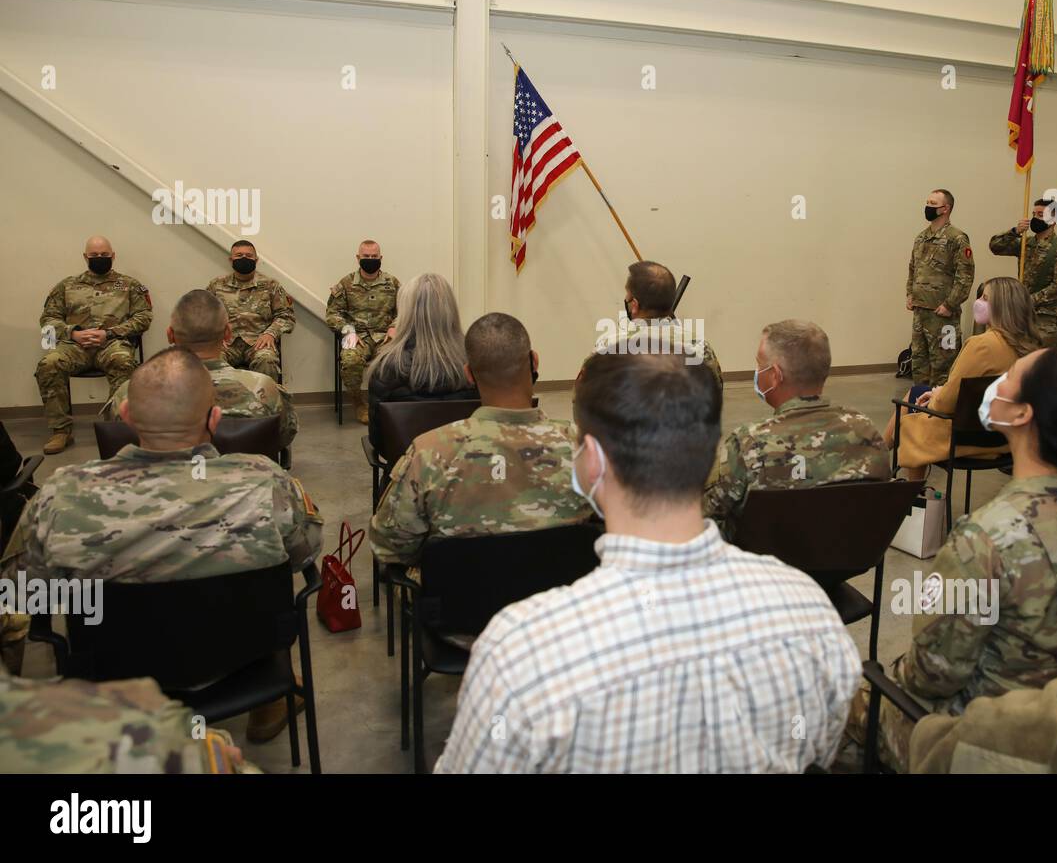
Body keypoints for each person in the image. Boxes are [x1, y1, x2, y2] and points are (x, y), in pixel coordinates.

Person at [434, 351, 861, 773]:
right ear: (712, 452)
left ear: (593, 462)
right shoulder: (810, 612)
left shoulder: (521, 653)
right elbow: (820, 751)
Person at [848, 346, 1057, 772]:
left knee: (841, 700)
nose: (995, 385)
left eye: (1007, 378)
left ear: (1023, 414)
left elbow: (930, 675)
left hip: (987, 742)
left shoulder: (984, 538)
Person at [2, 347, 322, 742]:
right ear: (215, 418)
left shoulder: (61, 495)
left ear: (126, 417)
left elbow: (21, 591)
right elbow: (304, 552)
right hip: (245, 664)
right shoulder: (265, 482)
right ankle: (269, 708)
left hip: (112, 675)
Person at [370, 313, 591, 565]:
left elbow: (389, 546)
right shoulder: (585, 447)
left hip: (460, 603)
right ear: (534, 362)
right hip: (561, 600)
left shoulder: (429, 453)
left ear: (469, 374)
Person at [704, 319, 889, 537]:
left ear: (775, 375)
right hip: (849, 555)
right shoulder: (866, 431)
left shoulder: (748, 443)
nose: (756, 371)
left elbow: (707, 515)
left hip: (767, 563)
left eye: (758, 364)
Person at [101, 290, 297, 450]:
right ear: (227, 334)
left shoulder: (132, 392)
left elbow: (120, 440)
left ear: (170, 335)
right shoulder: (263, 389)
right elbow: (283, 437)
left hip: (161, 488)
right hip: (244, 488)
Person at [888, 276, 1041, 479]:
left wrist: (935, 396)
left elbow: (945, 405)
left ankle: (908, 489)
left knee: (913, 415)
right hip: (1008, 436)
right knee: (917, 392)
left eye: (985, 299)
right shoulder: (1033, 346)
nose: (978, 302)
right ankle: (879, 455)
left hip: (972, 437)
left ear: (1002, 307)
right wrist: (938, 392)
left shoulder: (981, 345)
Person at [0, 667, 251, 773]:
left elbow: (34, 591)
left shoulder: (63, 552)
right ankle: (272, 705)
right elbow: (291, 559)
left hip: (109, 663)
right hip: (243, 663)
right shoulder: (149, 734)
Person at [35, 236, 152, 454]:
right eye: (94, 256)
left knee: (124, 362)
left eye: (104, 255)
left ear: (113, 256)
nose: (100, 259)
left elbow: (144, 317)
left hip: (112, 344)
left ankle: (117, 428)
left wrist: (108, 333)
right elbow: (48, 319)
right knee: (48, 364)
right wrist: (74, 333)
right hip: (74, 347)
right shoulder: (67, 286)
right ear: (85, 257)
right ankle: (61, 431)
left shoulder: (129, 285)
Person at [365, 273, 478, 448]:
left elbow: (378, 440)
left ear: (405, 314)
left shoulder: (387, 367)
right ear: (451, 310)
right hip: (467, 467)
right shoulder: (477, 360)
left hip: (409, 470)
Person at [588, 260, 723, 391]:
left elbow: (583, 399)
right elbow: (714, 394)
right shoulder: (699, 346)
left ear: (634, 305)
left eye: (627, 297)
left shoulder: (607, 346)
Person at [326, 240, 400, 423]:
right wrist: (348, 330)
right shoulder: (346, 283)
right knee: (350, 361)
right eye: (366, 256)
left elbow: (405, 310)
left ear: (380, 258)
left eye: (374, 256)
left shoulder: (392, 283)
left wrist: (394, 327)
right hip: (355, 335)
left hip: (385, 336)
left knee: (401, 359)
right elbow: (332, 314)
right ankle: (359, 403)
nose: (370, 259)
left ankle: (391, 403)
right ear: (358, 258)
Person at [906, 189, 974, 388]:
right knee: (919, 363)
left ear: (946, 209)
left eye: (933, 204)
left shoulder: (957, 239)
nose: (928, 207)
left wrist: (950, 304)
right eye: (927, 202)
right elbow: (913, 268)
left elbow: (965, 276)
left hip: (944, 315)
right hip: (920, 312)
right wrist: (910, 294)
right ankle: (919, 410)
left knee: (944, 365)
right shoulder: (921, 238)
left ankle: (939, 412)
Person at [988, 198, 1057, 345]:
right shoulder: (1026, 243)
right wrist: (1015, 231)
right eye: (1034, 214)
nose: (1035, 218)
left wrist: (1029, 300)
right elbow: (995, 247)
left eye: (1040, 214)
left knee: (1042, 365)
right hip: (1022, 317)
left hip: (1045, 321)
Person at [206, 240, 295, 380]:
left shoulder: (270, 285)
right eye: (239, 255)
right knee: (210, 362)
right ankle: (221, 401)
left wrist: (271, 334)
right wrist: (214, 333)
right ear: (231, 260)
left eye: (248, 255)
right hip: (227, 343)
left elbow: (286, 316)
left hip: (259, 342)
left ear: (256, 260)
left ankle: (265, 401)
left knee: (267, 361)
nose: (244, 259)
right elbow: (204, 315)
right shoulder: (216, 285)